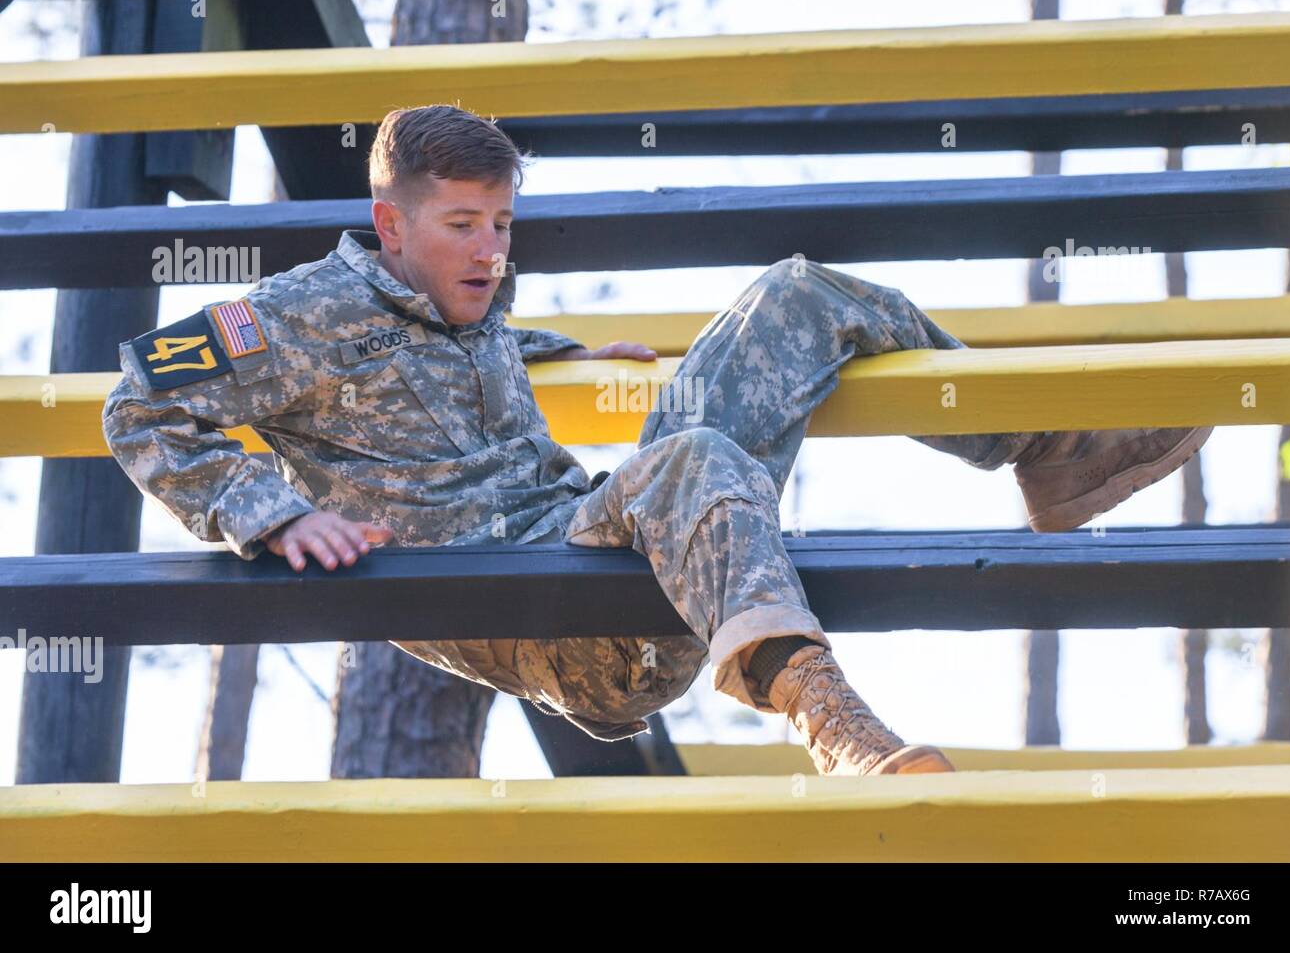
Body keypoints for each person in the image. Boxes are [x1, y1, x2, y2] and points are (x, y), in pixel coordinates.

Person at [103, 104, 1213, 776]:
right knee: (691, 459)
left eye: (502, 222)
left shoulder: (466, 299)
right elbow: (139, 403)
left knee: (796, 291)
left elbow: (439, 355)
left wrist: (561, 347)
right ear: (389, 224)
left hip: (604, 536)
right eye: (461, 225)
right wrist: (275, 510)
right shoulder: (293, 317)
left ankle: (1060, 455)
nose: (490, 249)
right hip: (549, 617)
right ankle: (839, 732)